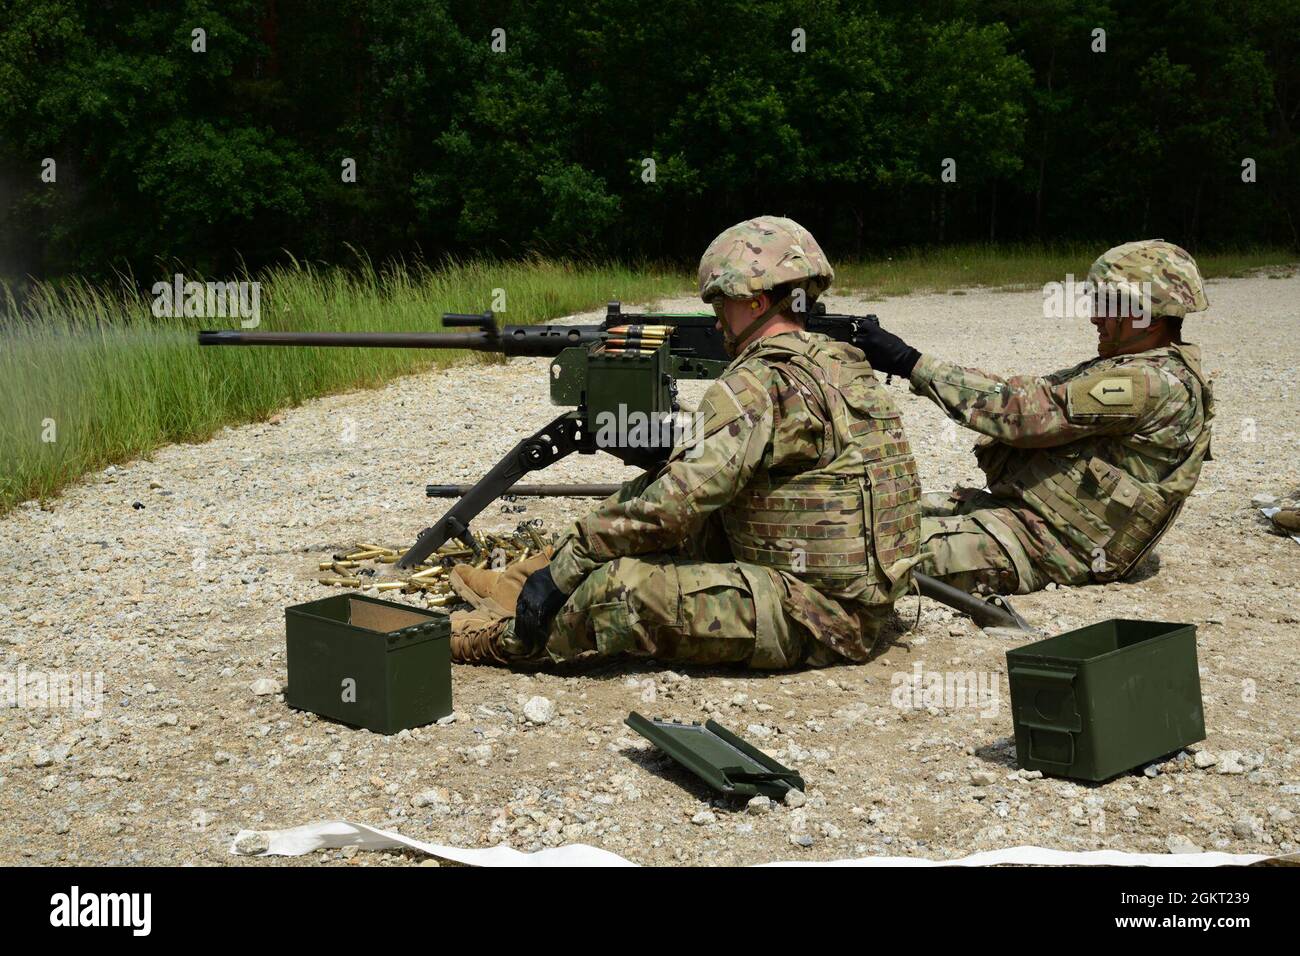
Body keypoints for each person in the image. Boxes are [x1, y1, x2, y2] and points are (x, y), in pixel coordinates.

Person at [449, 216, 922, 667]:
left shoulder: (761, 382)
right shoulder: (843, 361)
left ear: (756, 302)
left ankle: (505, 637)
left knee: (620, 590)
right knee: (651, 502)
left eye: (723, 305)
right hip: (846, 597)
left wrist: (567, 568)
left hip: (818, 618)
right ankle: (515, 586)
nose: (717, 322)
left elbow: (671, 505)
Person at [853, 239, 1214, 594]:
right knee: (866, 514)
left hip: (1051, 547)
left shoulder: (1147, 383)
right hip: (1031, 518)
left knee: (862, 551)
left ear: (1145, 315)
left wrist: (908, 362)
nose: (1095, 317)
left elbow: (1023, 415)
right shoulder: (1144, 366)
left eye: (1108, 306)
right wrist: (911, 362)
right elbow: (1028, 392)